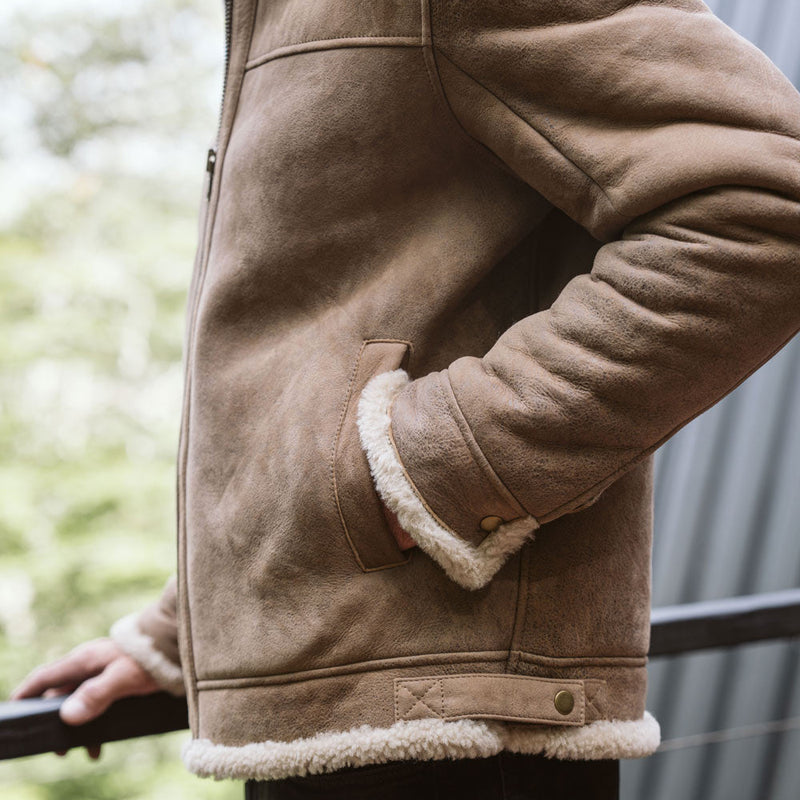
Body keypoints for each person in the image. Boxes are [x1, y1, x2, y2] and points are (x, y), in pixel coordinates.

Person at [11, 0, 800, 797]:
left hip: (448, 722)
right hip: (353, 699)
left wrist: (436, 470)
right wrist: (185, 633)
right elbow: (319, 349)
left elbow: (767, 208)